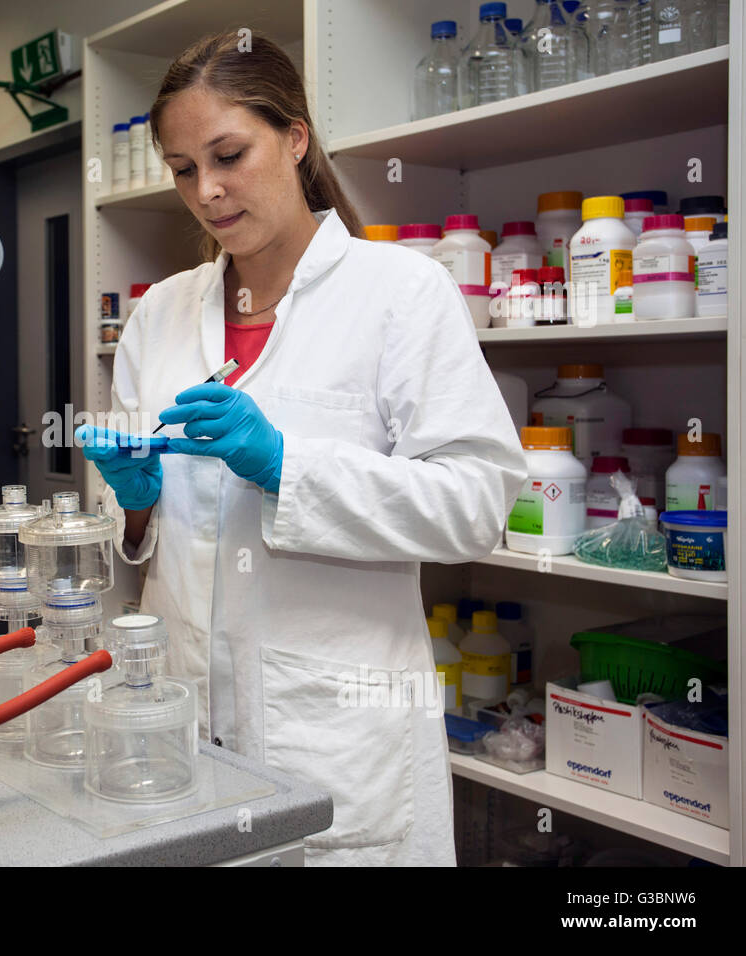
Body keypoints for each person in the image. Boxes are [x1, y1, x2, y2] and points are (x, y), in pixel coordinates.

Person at [76, 31, 528, 865]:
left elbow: (476, 506)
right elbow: (141, 546)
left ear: (294, 137)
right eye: (182, 168)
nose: (207, 191)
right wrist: (134, 507)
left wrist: (290, 468)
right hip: (184, 721)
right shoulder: (161, 314)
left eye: (228, 154)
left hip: (335, 731)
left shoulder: (401, 294)